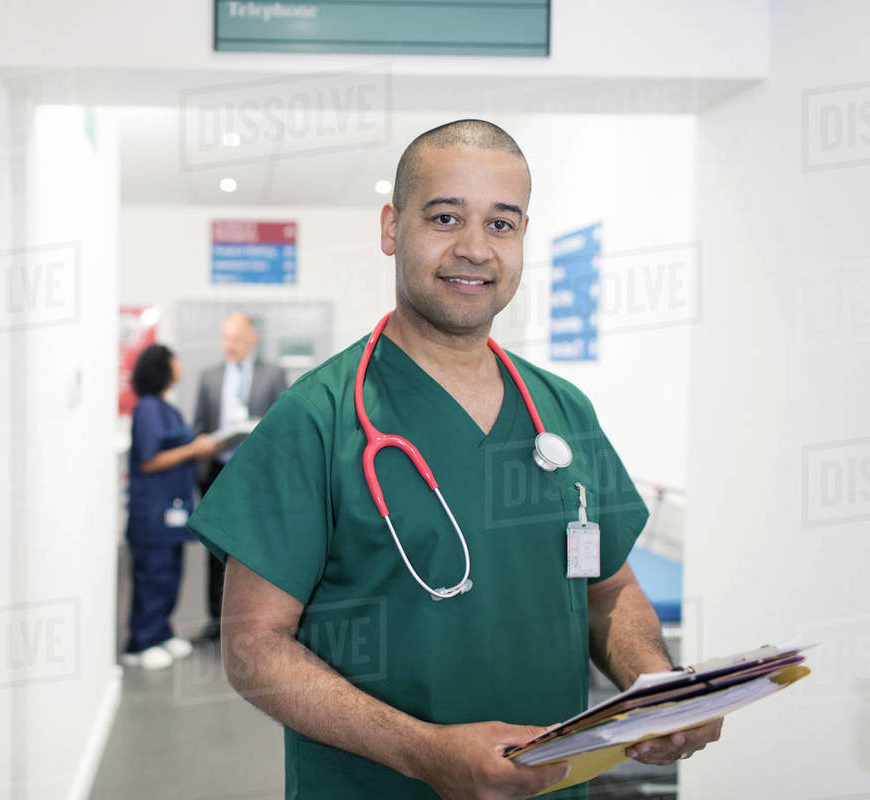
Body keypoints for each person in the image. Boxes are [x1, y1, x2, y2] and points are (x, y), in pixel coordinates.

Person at [187, 120, 722, 798]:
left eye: (502, 225)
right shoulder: (315, 419)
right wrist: (423, 753)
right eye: (445, 217)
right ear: (391, 227)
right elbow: (252, 647)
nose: (474, 248)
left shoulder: (563, 411)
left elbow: (608, 591)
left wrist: (651, 684)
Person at [121, 343, 218, 671]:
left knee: (170, 575)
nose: (181, 363)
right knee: (152, 575)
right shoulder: (148, 408)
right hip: (152, 512)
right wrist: (193, 449)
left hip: (173, 511)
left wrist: (196, 449)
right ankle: (140, 642)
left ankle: (161, 632)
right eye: (175, 358)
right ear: (163, 366)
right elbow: (150, 461)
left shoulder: (167, 407)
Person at [192, 312, 288, 638]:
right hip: (217, 470)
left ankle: (249, 618)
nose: (228, 345)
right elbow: (199, 427)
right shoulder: (209, 377)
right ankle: (214, 620)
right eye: (225, 338)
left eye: (235, 338)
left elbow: (282, 425)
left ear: (253, 339)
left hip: (254, 474)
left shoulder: (273, 375)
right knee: (214, 546)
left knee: (252, 549)